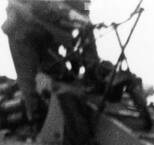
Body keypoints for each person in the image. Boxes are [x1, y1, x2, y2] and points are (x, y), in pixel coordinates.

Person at [2, 0, 96, 132]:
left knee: (59, 73)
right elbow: (49, 6)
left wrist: (88, 67)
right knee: (28, 80)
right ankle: (37, 122)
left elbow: (80, 28)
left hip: (42, 32)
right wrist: (72, 15)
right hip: (21, 31)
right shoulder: (55, 6)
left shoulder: (77, 8)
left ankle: (46, 116)